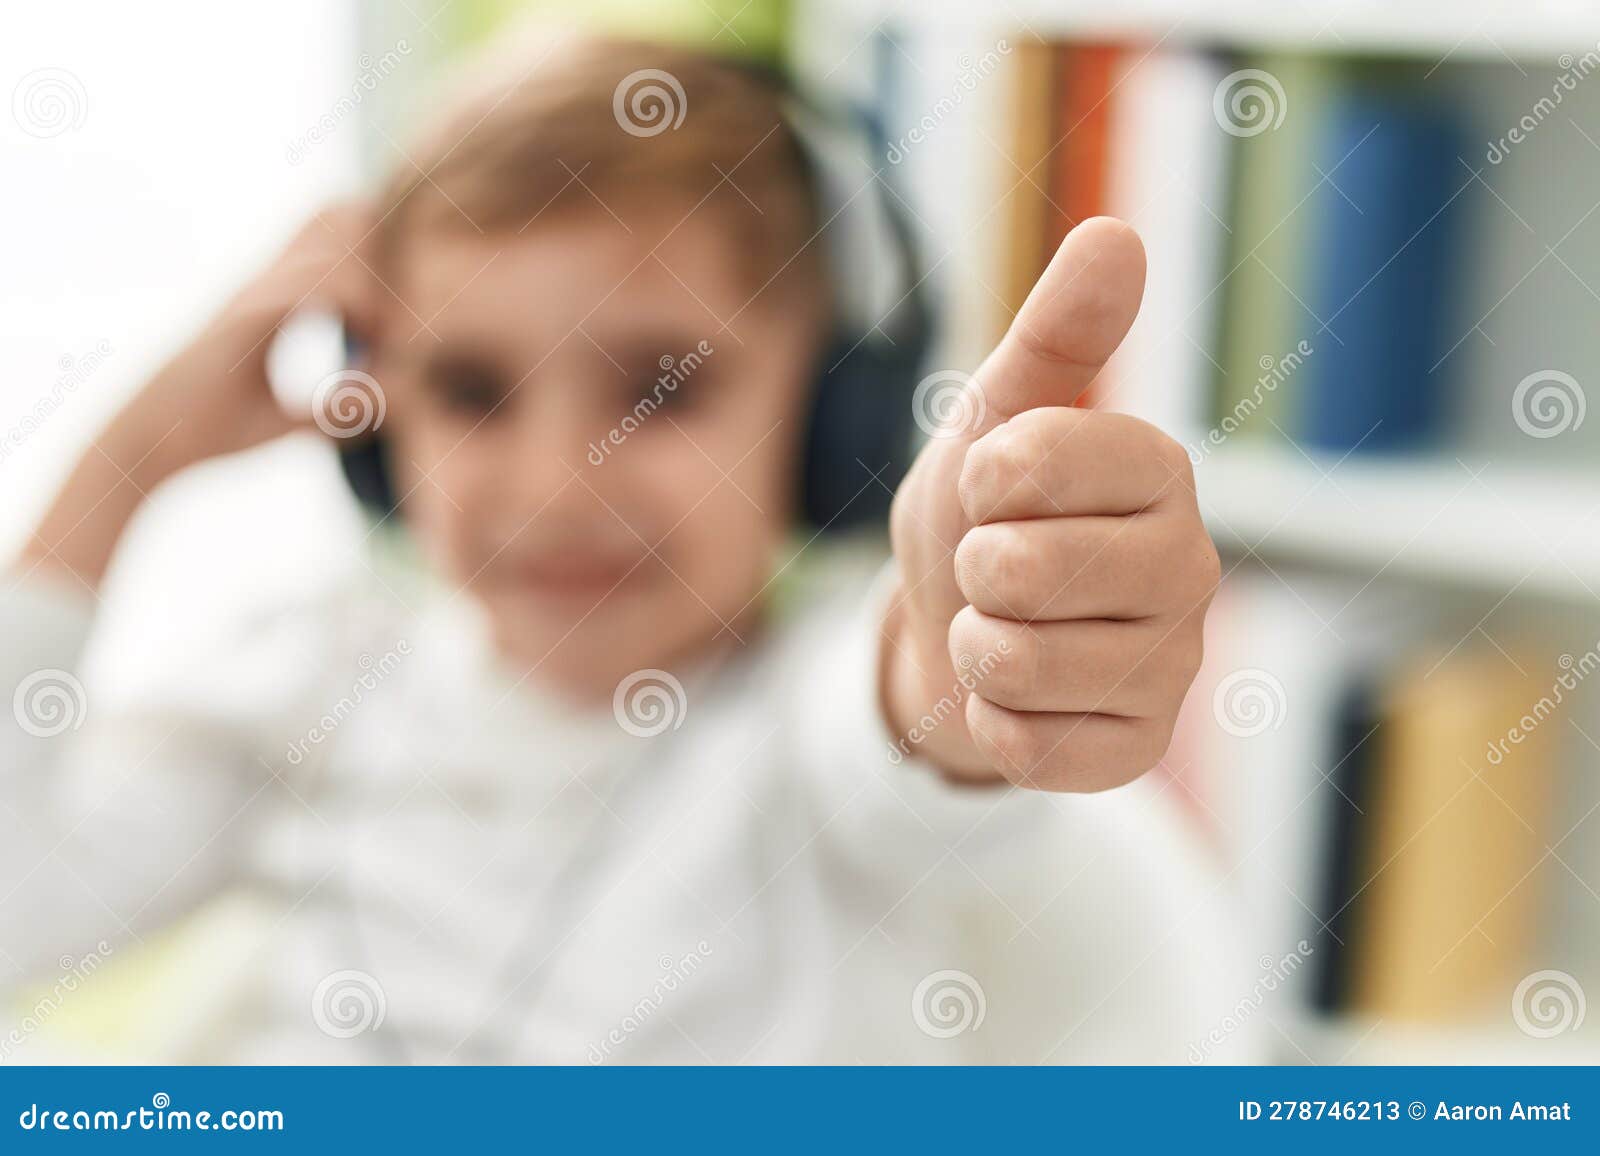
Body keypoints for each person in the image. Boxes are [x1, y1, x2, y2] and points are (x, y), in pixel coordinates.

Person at [2, 37, 1246, 1063]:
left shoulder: (815, 718)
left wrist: (974, 648)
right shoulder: (309, 677)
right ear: (375, 426)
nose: (556, 487)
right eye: (472, 389)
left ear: (827, 415)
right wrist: (122, 469)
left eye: (662, 386)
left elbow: (920, 736)